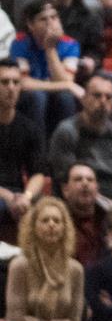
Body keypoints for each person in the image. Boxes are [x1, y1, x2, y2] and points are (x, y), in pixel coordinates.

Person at [5, 197, 86, 321]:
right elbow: (16, 320)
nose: (51, 224)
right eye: (45, 220)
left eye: (57, 220)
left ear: (65, 228)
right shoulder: (20, 265)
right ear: (33, 227)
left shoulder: (75, 270)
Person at [51, 72, 112, 209]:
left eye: (109, 97)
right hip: (76, 203)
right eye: (97, 95)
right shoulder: (67, 131)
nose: (103, 101)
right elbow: (67, 182)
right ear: (83, 99)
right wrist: (107, 205)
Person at [11, 0, 85, 135]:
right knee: (37, 96)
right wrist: (68, 85)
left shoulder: (70, 44)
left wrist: (50, 49)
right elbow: (23, 82)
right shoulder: (20, 43)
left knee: (65, 97)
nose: (51, 23)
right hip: (30, 99)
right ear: (30, 25)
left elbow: (64, 81)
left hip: (55, 97)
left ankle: (62, 147)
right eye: (43, 19)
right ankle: (37, 149)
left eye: (54, 17)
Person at [0, 58, 48, 237]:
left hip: (18, 194)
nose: (11, 88)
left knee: (49, 211)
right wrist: (9, 197)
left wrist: (26, 197)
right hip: (5, 195)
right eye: (4, 82)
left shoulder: (29, 128)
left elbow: (38, 174)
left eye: (15, 82)